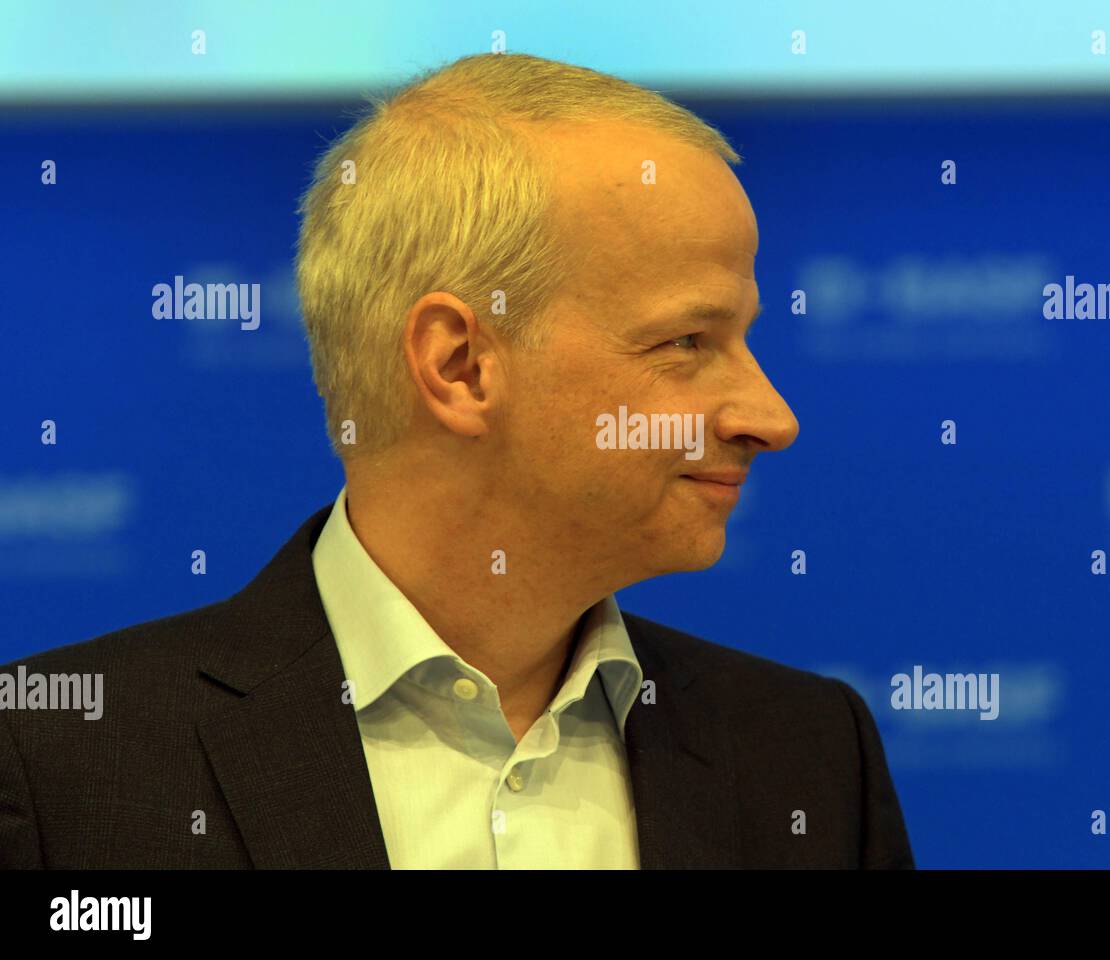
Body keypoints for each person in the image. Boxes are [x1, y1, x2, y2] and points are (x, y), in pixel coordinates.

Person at [0, 52, 912, 869]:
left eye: (741, 339)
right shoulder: (55, 763)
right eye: (684, 341)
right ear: (460, 367)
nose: (771, 417)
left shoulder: (807, 754)